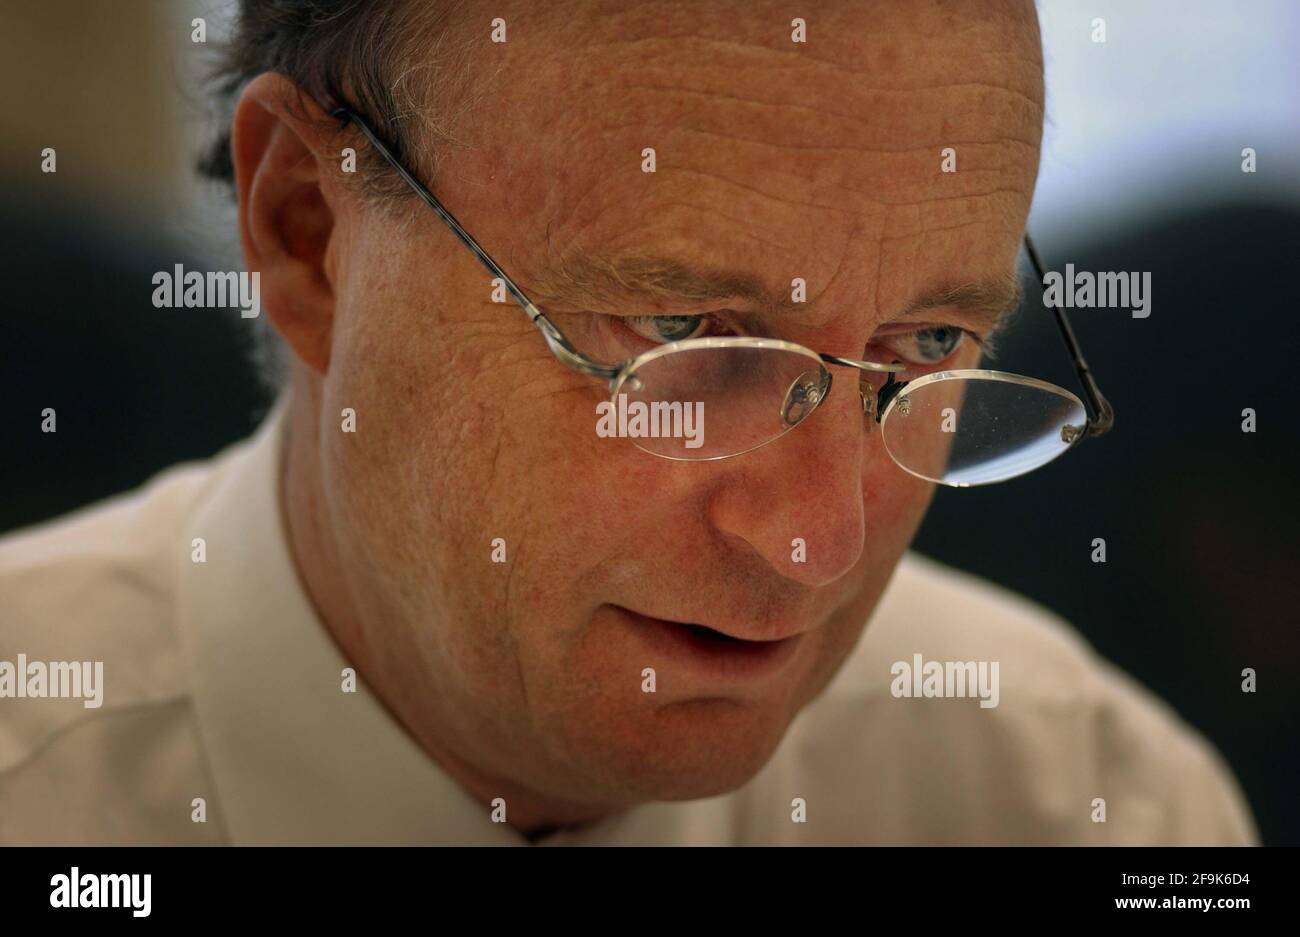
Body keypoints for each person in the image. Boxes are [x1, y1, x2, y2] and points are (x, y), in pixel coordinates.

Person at [0, 0, 1256, 845]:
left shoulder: (1088, 806)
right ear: (307, 234)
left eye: (927, 344)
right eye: (687, 335)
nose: (815, 544)